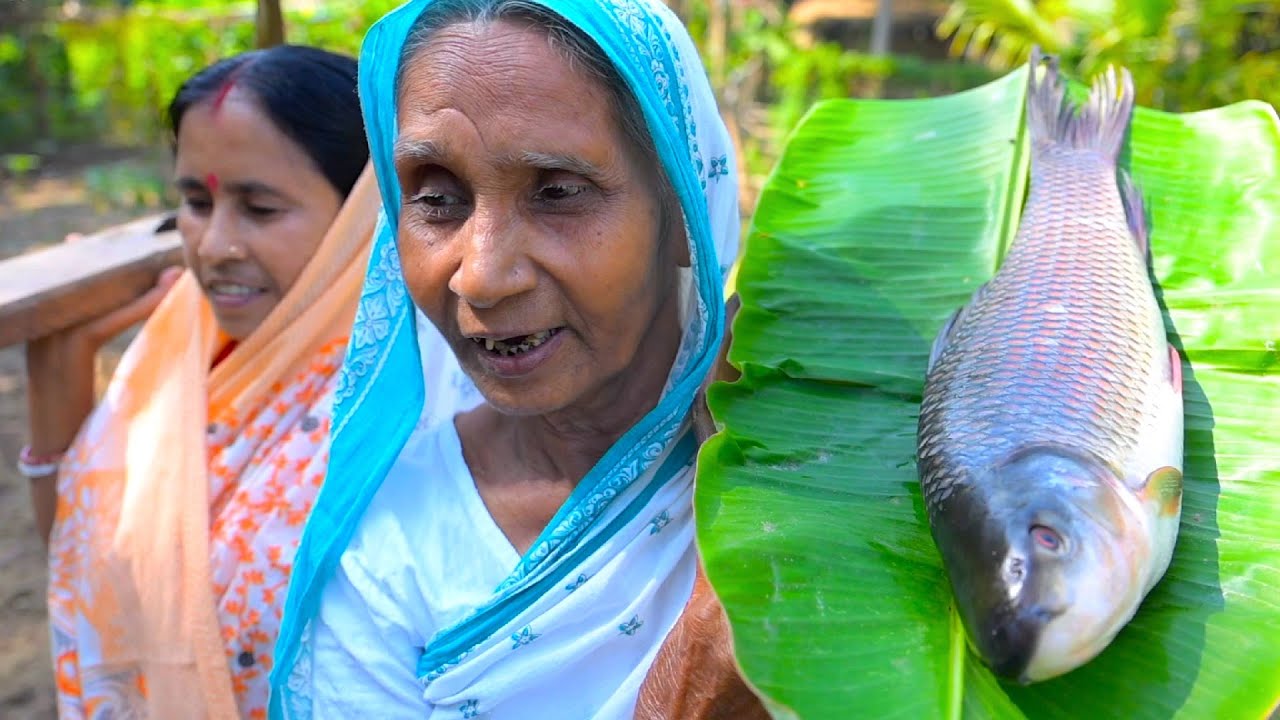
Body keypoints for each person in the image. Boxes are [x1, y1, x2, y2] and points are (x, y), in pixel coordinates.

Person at [267, 1, 769, 718]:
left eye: (558, 192)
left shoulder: (825, 476)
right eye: (437, 199)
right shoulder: (393, 543)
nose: (481, 276)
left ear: (683, 208)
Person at [26, 45, 378, 718]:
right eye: (195, 201)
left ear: (361, 213)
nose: (213, 245)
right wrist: (61, 371)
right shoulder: (177, 351)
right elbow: (83, 562)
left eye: (261, 208)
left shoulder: (408, 403)